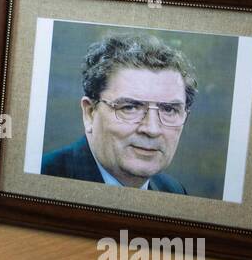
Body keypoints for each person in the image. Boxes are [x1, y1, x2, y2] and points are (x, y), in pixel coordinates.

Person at [41, 34, 193, 194]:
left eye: (169, 109)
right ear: (90, 113)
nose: (152, 129)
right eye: (130, 107)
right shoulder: (41, 179)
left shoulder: (174, 191)